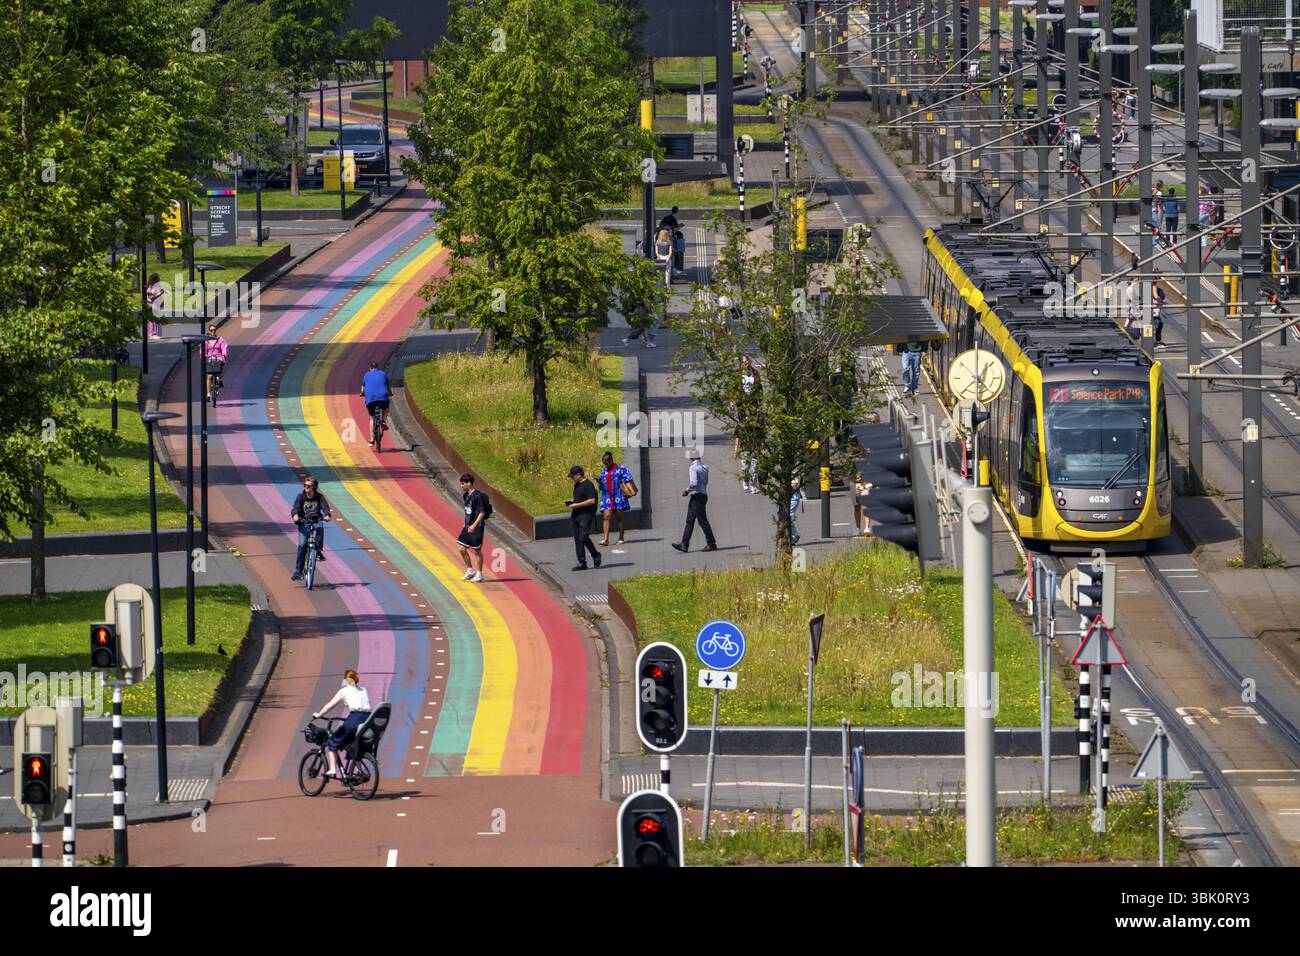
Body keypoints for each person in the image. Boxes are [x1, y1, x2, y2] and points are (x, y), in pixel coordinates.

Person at [312, 670, 372, 779]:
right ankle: (357, 770)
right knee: (350, 744)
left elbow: (330, 706)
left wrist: (319, 714)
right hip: (367, 720)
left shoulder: (344, 691)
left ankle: (332, 770)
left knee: (332, 742)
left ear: (346, 680)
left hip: (354, 719)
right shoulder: (363, 690)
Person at [672, 448, 717, 553]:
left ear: (691, 458)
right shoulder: (705, 467)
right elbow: (705, 481)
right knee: (690, 520)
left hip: (696, 496)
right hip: (703, 494)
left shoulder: (693, 468)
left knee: (702, 521)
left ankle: (711, 543)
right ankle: (684, 544)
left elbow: (693, 482)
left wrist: (687, 491)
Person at [290, 476, 332, 581]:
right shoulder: (301, 497)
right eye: (305, 485)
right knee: (302, 545)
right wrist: (295, 515)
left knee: (320, 527)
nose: (306, 487)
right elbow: (295, 507)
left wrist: (327, 515)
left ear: (314, 487)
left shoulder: (319, 497)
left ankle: (318, 551)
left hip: (316, 519)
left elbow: (325, 507)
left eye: (308, 486)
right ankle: (298, 571)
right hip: (304, 522)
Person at [566, 465, 602, 571]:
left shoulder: (588, 485)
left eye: (573, 476)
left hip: (586, 515)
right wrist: (572, 502)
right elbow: (579, 498)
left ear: (578, 475)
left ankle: (595, 555)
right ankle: (582, 562)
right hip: (576, 515)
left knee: (583, 537)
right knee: (577, 539)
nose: (572, 479)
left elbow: (592, 500)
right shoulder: (576, 485)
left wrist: (576, 505)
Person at [597, 451, 635, 546]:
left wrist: (629, 490)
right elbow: (601, 487)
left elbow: (628, 479)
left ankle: (621, 537)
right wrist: (600, 483)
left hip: (618, 496)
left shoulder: (621, 469)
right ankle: (605, 539)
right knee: (606, 517)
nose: (605, 466)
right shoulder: (603, 472)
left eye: (606, 463)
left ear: (611, 461)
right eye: (604, 464)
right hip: (607, 497)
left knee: (619, 518)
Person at [456, 473, 488, 583]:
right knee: (462, 549)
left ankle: (479, 574)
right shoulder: (465, 495)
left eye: (463, 483)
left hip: (477, 527)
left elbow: (482, 512)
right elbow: (467, 511)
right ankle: (470, 570)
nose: (461, 486)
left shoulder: (477, 496)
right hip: (468, 526)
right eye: (461, 483)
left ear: (469, 483)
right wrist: (466, 523)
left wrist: (474, 525)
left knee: (477, 550)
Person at [737, 355, 762, 493]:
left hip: (753, 402)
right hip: (743, 404)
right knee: (745, 464)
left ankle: (754, 484)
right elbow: (734, 388)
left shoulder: (755, 373)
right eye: (743, 362)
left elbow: (760, 388)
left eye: (747, 362)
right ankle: (746, 480)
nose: (745, 364)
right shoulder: (738, 375)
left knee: (755, 462)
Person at [360, 361, 391, 444]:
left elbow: (362, 389)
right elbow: (388, 387)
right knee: (386, 408)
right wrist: (390, 393)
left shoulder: (366, 375)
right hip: (383, 397)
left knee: (372, 418)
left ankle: (372, 440)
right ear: (378, 368)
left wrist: (362, 394)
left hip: (370, 399)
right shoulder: (383, 373)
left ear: (370, 369)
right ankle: (383, 421)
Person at [204, 324, 228, 405]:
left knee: (218, 370)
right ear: (209, 331)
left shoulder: (220, 340)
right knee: (209, 376)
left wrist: (224, 355)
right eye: (211, 330)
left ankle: (218, 379)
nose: (213, 331)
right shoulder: (206, 341)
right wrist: (204, 356)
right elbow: (203, 350)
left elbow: (224, 348)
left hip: (218, 358)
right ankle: (208, 394)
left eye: (214, 330)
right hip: (209, 358)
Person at [145, 272, 164, 340]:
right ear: (155, 279)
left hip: (156, 305)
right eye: (158, 278)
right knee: (152, 320)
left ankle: (155, 333)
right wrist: (160, 293)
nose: (159, 279)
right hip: (151, 305)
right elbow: (151, 296)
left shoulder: (156, 286)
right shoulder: (150, 287)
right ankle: (151, 334)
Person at [788, 478, 805, 545]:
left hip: (794, 497)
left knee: (790, 517)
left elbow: (795, 485)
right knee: (790, 516)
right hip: (793, 496)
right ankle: (794, 536)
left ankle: (794, 536)